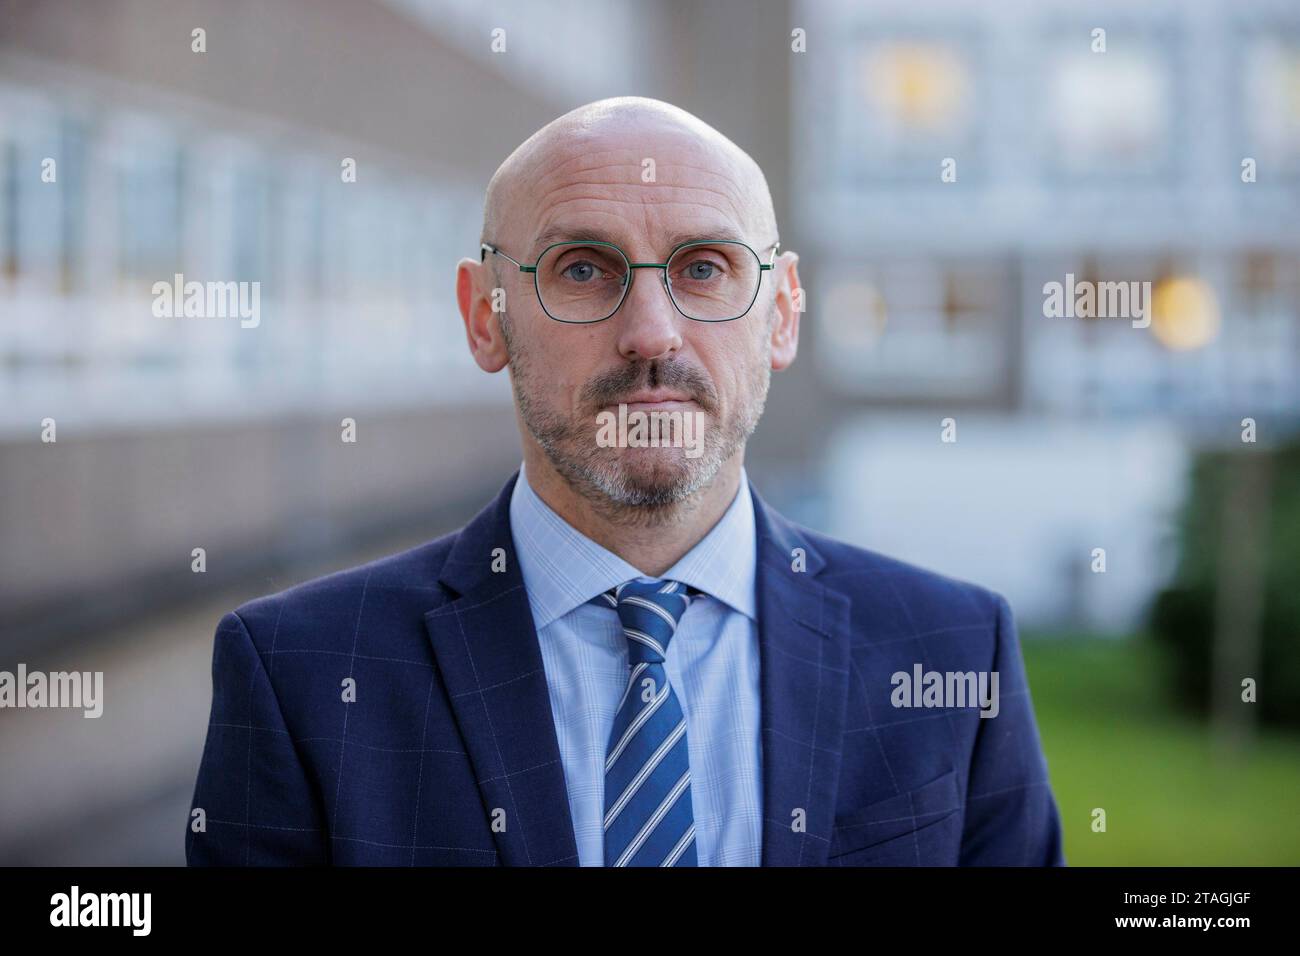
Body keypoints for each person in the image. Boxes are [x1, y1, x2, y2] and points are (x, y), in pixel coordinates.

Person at [187, 96, 1064, 867]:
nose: (652, 334)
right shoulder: (302, 677)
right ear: (483, 316)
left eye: (705, 269)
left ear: (783, 314)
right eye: (582, 269)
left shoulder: (952, 654)